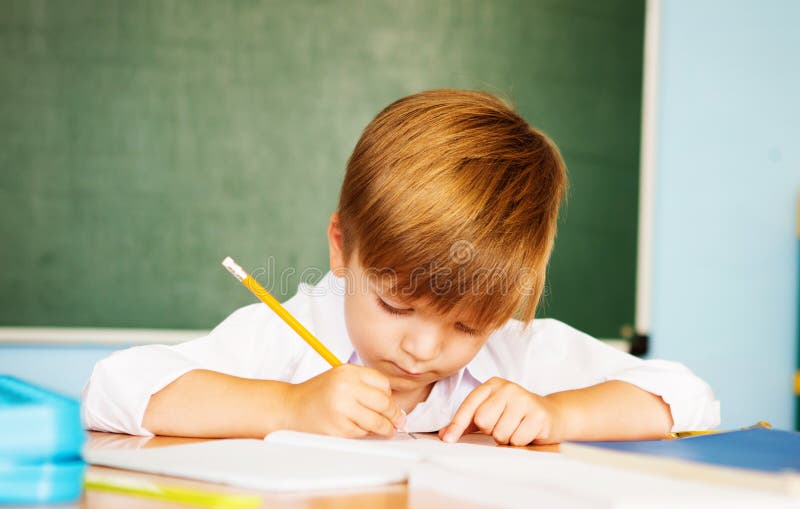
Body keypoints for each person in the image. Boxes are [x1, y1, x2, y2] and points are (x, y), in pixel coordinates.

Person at [82, 89, 719, 445]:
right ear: (342, 248)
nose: (422, 349)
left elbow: (691, 400)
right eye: (395, 306)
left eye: (466, 327)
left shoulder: (513, 352)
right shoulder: (286, 334)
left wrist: (560, 416)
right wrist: (288, 406)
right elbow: (114, 388)